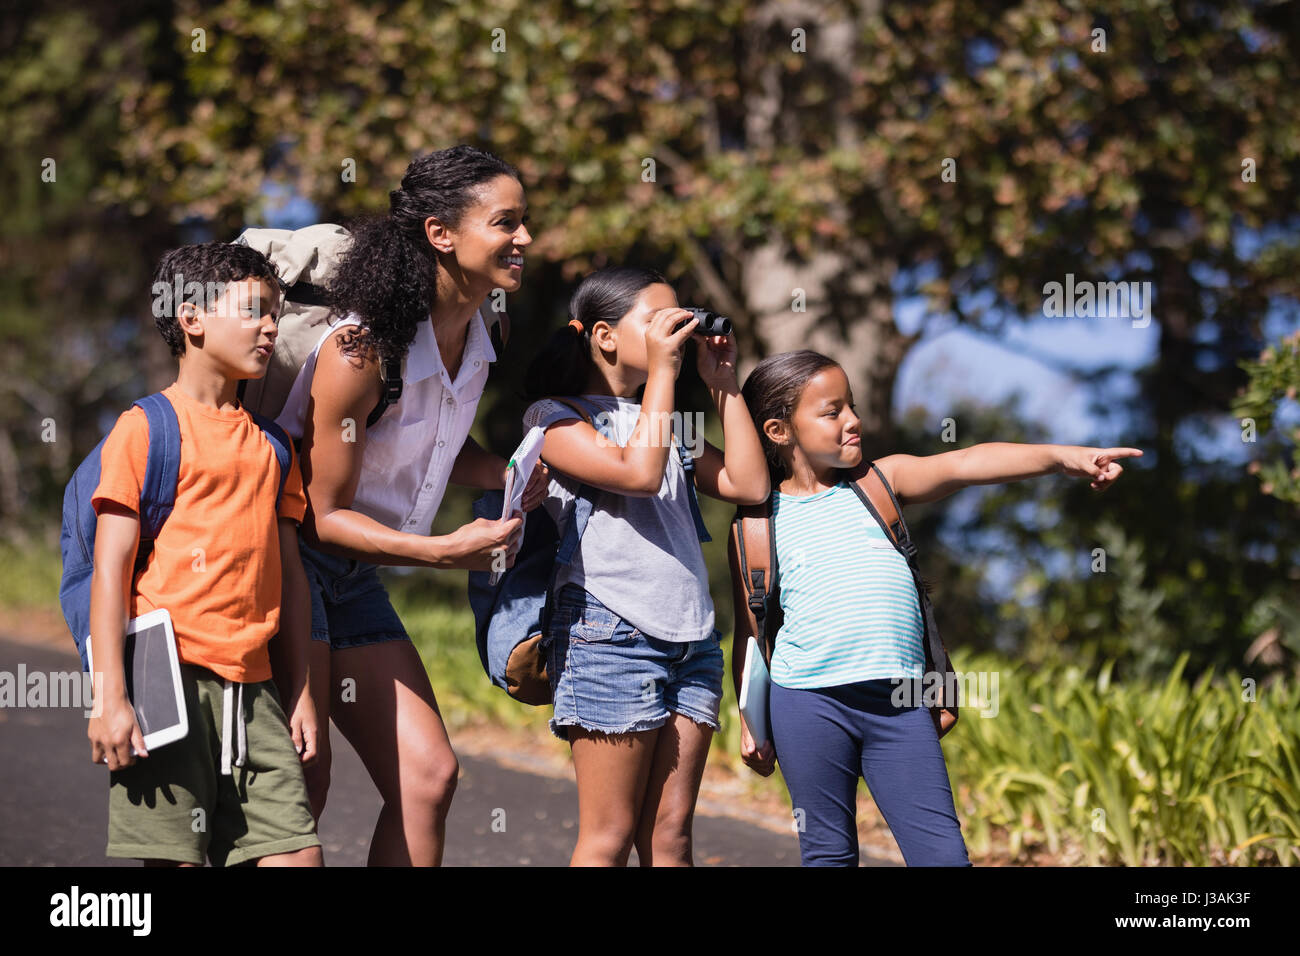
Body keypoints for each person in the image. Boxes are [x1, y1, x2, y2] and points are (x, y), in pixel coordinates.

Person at [732, 349, 1143, 866]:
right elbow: (750, 629)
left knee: (942, 857)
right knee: (828, 854)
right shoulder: (756, 524)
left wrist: (1063, 458)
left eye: (852, 406)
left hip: (902, 699)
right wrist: (749, 719)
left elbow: (967, 462)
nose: (854, 421)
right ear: (777, 430)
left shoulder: (881, 482)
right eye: (833, 411)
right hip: (807, 702)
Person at [277, 145, 546, 865]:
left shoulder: (484, 335)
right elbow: (326, 513)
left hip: (356, 574)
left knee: (428, 776)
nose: (524, 239)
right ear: (441, 233)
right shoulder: (360, 353)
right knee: (307, 777)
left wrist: (516, 467)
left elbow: (424, 448)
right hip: (294, 564)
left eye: (525, 222)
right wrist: (440, 550)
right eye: (505, 222)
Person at [521, 266, 769, 866]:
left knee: (670, 837)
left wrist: (723, 385)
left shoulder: (668, 422)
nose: (678, 330)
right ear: (605, 336)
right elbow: (638, 473)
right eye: (659, 320)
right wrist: (663, 373)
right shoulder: (554, 418)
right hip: (609, 633)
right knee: (608, 836)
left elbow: (748, 483)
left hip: (692, 638)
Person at [88, 242, 322, 866]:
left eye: (276, 313)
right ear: (190, 318)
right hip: (165, 687)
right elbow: (110, 572)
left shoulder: (274, 445)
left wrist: (299, 690)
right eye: (254, 309)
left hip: (258, 692)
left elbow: (291, 575)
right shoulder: (146, 428)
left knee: (299, 854)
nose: (271, 325)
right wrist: (109, 696)